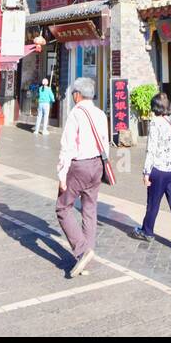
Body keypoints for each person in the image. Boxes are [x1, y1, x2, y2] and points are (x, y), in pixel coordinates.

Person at [55, 77, 109, 277]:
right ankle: (86, 255)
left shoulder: (76, 114)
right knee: (90, 209)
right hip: (97, 165)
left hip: (79, 166)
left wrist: (62, 173)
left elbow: (67, 145)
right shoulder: (101, 114)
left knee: (62, 207)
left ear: (77, 94)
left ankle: (82, 250)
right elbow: (105, 143)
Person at [130, 93, 171, 253]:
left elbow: (151, 149)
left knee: (153, 203)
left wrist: (146, 172)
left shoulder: (155, 123)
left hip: (159, 169)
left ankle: (147, 231)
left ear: (155, 107)